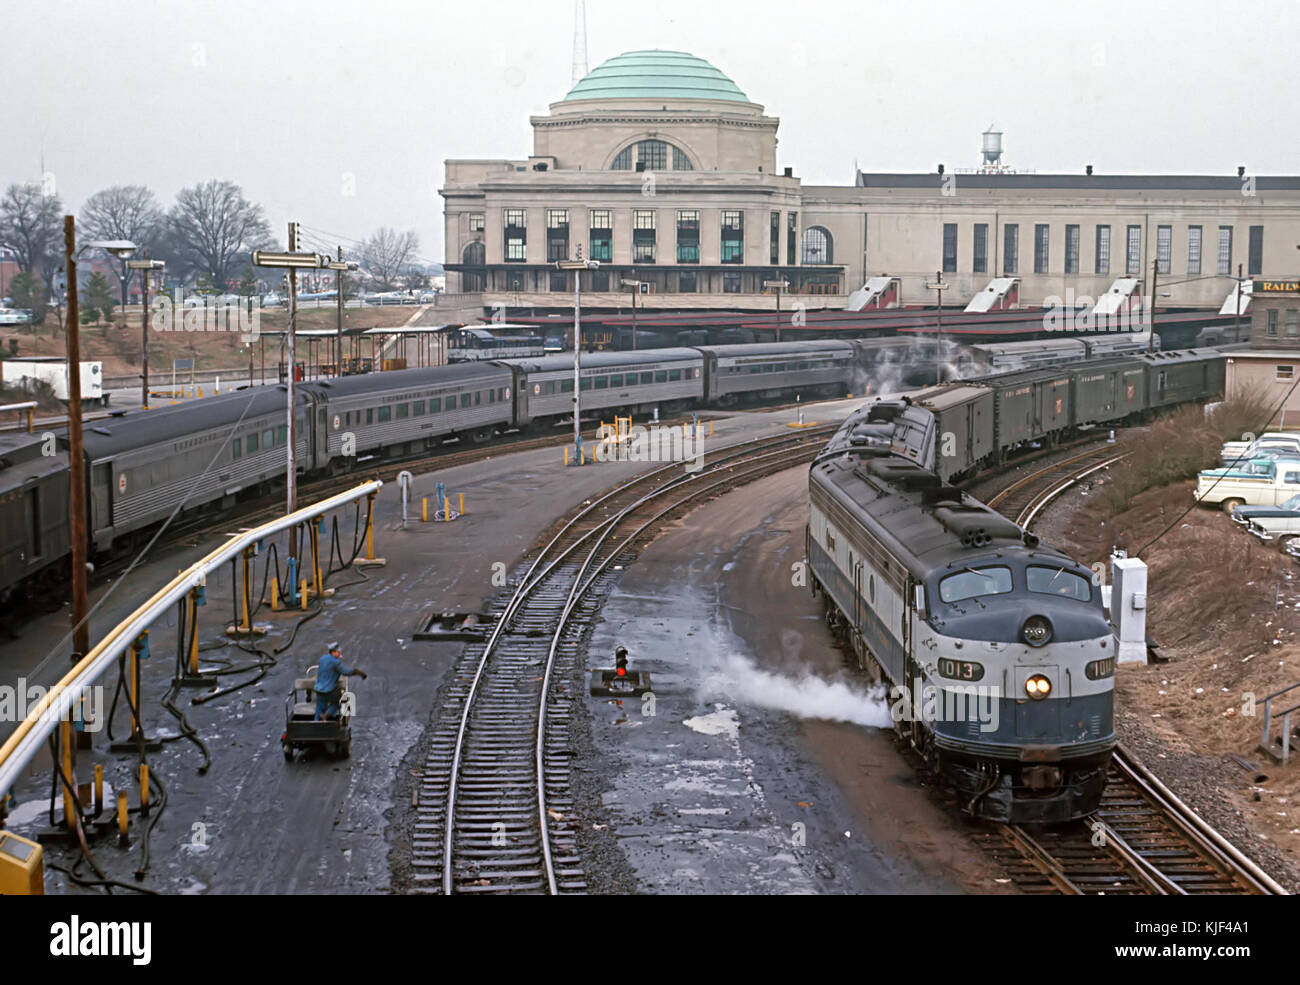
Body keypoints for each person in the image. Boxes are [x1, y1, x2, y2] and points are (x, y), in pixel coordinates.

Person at [314, 642, 367, 720]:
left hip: (318, 689)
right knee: (337, 704)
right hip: (329, 690)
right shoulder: (335, 662)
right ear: (333, 652)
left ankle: (316, 724)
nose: (339, 654)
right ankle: (326, 716)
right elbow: (346, 672)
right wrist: (357, 672)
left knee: (319, 708)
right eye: (338, 652)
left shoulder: (323, 658)